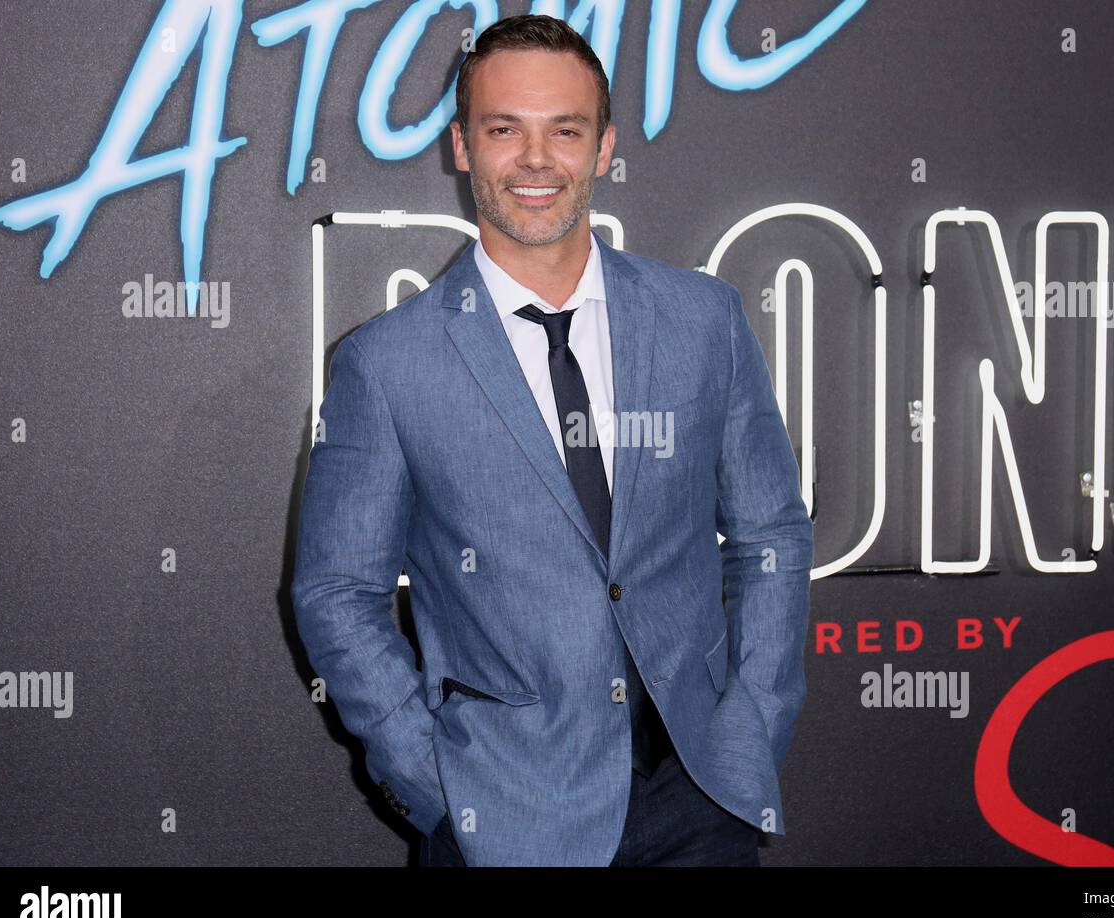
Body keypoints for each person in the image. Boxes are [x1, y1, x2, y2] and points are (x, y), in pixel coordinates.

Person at [291, 13, 812, 867]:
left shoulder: (702, 321)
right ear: (463, 146)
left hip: (703, 804)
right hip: (501, 817)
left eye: (564, 130)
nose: (536, 161)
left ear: (604, 146)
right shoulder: (386, 364)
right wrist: (437, 785)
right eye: (505, 129)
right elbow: (336, 594)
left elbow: (771, 536)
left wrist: (751, 723)